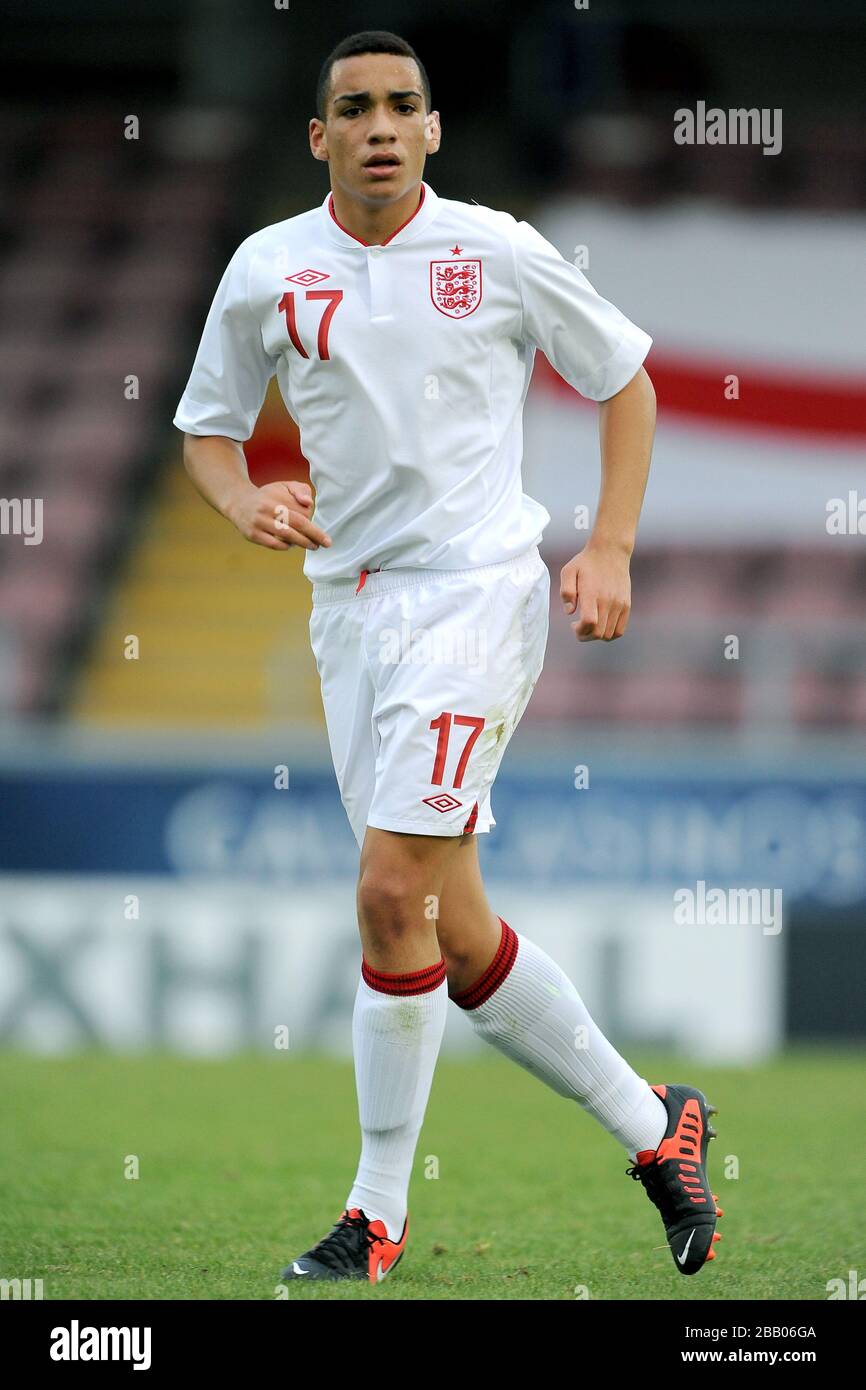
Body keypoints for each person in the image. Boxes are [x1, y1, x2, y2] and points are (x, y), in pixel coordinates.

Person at [174, 29, 721, 1284]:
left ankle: (373, 1213)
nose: (378, 124)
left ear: (430, 130)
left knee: (383, 893)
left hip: (476, 596)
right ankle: (659, 1128)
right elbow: (207, 433)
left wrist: (613, 547)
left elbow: (626, 379)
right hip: (347, 610)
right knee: (450, 927)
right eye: (352, 108)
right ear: (318, 137)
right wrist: (239, 500)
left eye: (401, 106)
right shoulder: (268, 267)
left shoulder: (497, 249)